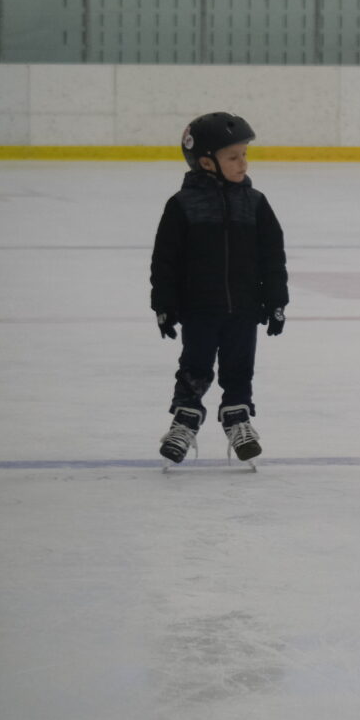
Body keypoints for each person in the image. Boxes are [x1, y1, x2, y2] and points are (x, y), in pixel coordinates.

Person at [151, 112, 288, 469]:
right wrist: (164, 304)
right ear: (205, 162)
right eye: (233, 156)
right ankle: (184, 422)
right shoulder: (182, 205)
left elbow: (273, 257)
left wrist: (276, 301)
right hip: (199, 308)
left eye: (244, 154)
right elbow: (165, 261)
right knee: (194, 367)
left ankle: (238, 420)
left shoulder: (255, 203)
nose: (243, 163)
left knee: (239, 369)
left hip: (244, 308)